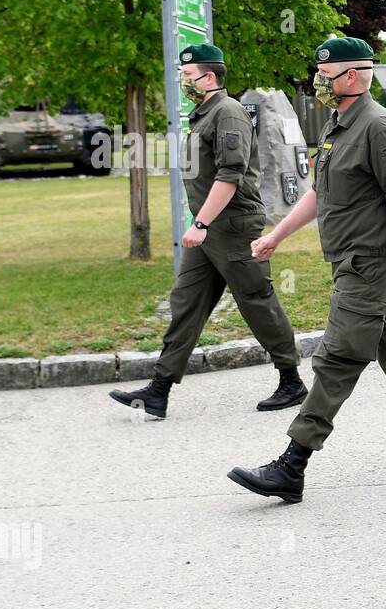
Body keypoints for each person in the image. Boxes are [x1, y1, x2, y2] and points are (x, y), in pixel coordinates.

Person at [227, 37, 386, 504]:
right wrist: (276, 235)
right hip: (348, 261)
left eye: (327, 74)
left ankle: (292, 463)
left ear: (354, 76)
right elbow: (321, 193)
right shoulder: (338, 125)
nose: (319, 81)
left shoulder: (380, 128)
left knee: (337, 358)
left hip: (371, 264)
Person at [109, 42, 304, 420]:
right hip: (210, 226)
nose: (182, 81)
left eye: (187, 75)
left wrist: (200, 223)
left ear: (208, 76)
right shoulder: (203, 113)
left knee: (255, 300)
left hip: (232, 225)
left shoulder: (228, 112)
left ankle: (291, 380)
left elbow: (229, 175)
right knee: (186, 303)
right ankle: (159, 390)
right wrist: (200, 221)